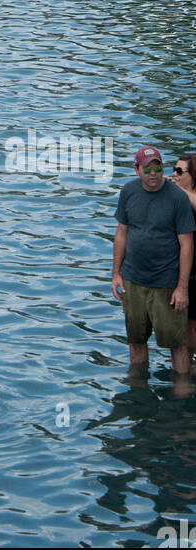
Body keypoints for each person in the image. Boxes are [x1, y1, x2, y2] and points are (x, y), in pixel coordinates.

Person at [111, 145, 195, 377]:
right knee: (136, 341)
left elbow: (187, 243)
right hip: (133, 281)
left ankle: (180, 396)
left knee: (177, 345)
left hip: (166, 284)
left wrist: (182, 288)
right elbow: (121, 232)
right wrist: (116, 274)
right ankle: (138, 392)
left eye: (158, 168)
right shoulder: (128, 191)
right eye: (147, 169)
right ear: (137, 169)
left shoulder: (177, 197)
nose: (154, 173)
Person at [171, 154, 196, 364]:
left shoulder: (189, 196)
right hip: (184, 269)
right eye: (174, 170)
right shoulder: (179, 198)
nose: (175, 175)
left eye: (180, 171)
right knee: (187, 324)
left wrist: (182, 191)